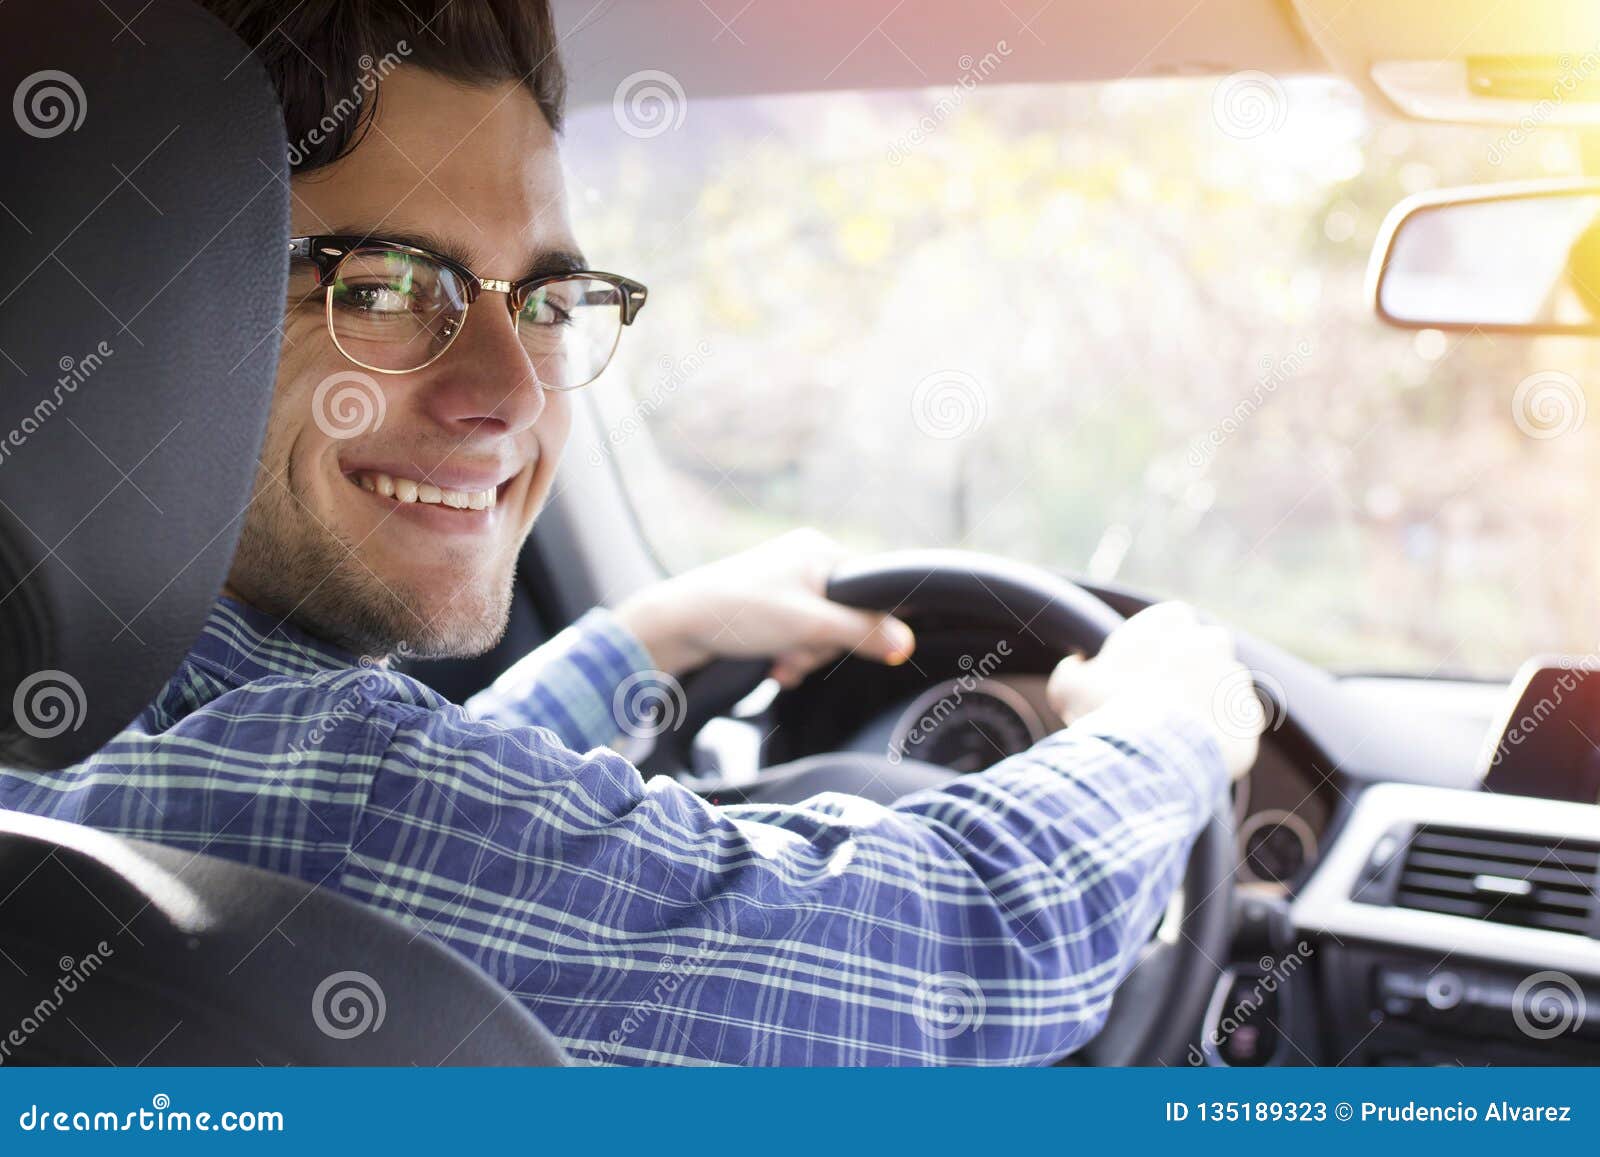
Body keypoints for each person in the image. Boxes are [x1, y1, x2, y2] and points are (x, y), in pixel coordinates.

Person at [0, 0, 1261, 1065]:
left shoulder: (79, 747)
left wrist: (649, 639)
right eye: (382, 287)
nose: (508, 390)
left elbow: (382, 836)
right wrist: (1167, 727)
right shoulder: (355, 806)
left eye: (545, 297)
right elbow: (974, 948)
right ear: (155, 314)